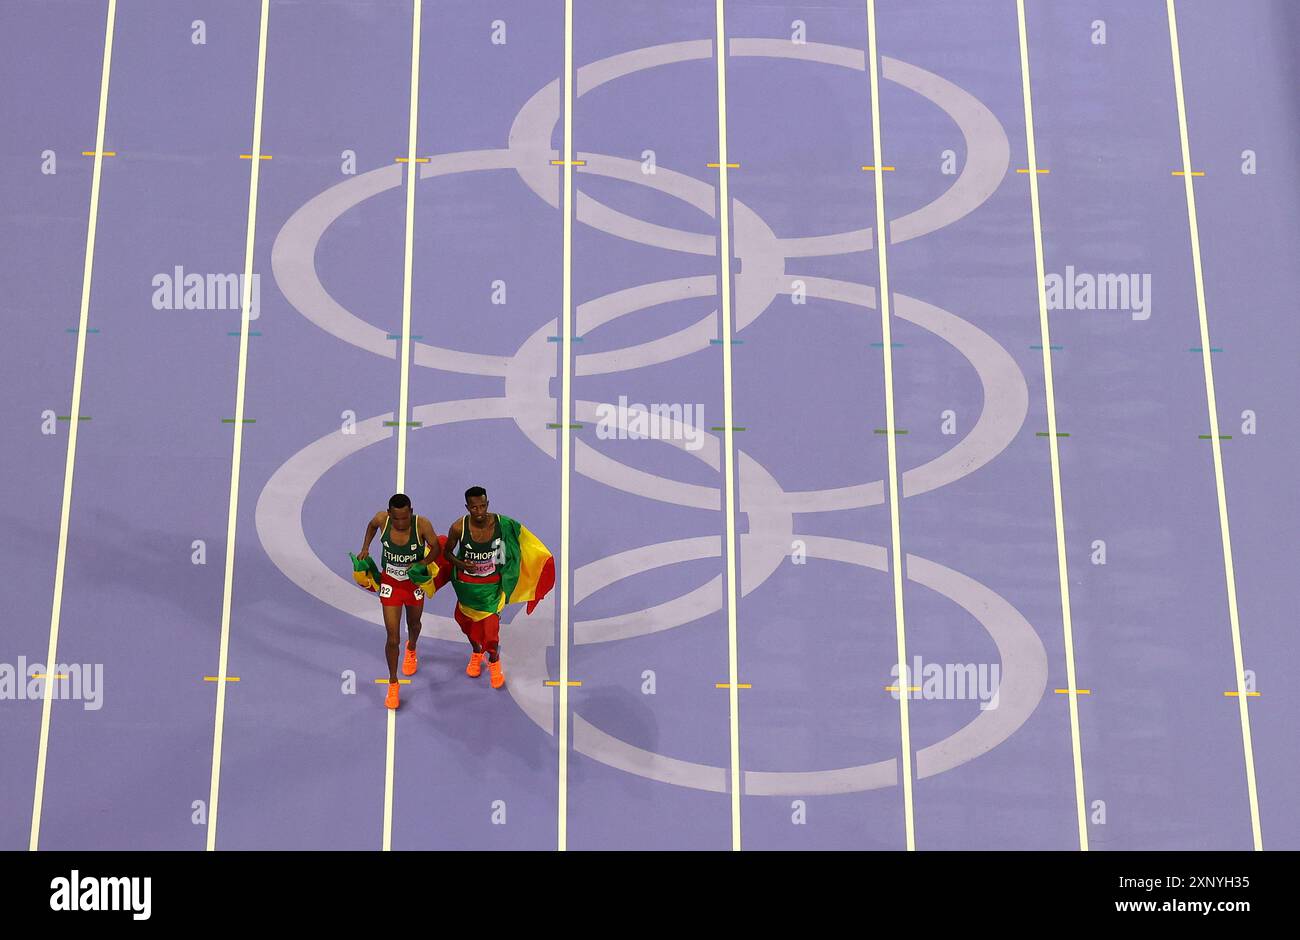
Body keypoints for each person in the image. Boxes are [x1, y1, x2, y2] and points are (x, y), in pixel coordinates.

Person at [441, 486, 555, 689]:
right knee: (468, 627)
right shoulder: (458, 527)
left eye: (482, 506)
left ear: (488, 504)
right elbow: (447, 553)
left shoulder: (503, 525)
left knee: (491, 633)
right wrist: (461, 564)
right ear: (467, 507)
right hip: (467, 588)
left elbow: (523, 541)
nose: (479, 511)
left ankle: (494, 660)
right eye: (474, 508)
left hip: (492, 588)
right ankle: (477, 652)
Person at [356, 494, 441, 709]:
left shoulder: (422, 524)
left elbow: (436, 548)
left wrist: (422, 562)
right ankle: (393, 683)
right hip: (391, 584)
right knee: (392, 638)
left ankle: (411, 648)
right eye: (396, 518)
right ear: (389, 514)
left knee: (414, 624)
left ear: (411, 512)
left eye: (405, 518)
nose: (401, 523)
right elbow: (371, 526)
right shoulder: (381, 520)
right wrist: (365, 547)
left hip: (413, 584)